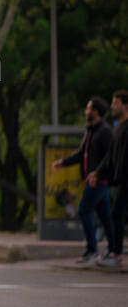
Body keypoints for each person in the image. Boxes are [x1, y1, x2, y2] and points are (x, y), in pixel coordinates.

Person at [52, 97, 114, 263]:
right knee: (105, 217)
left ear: (95, 111)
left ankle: (92, 250)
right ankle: (114, 250)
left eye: (88, 108)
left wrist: (98, 173)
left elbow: (110, 156)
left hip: (98, 180)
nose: (85, 111)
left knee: (83, 210)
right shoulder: (91, 131)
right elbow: (81, 154)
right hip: (91, 179)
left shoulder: (105, 131)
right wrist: (62, 162)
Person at [87, 89, 128, 271]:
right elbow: (110, 157)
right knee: (115, 215)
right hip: (121, 181)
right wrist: (97, 173)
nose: (112, 106)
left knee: (116, 215)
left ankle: (116, 255)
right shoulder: (118, 129)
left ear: (126, 106)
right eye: (112, 103)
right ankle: (115, 253)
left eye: (116, 103)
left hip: (125, 180)